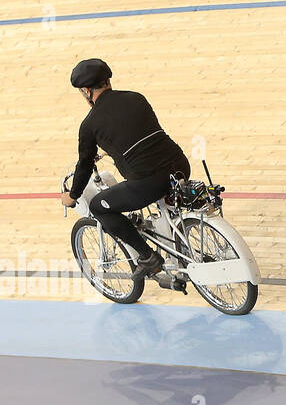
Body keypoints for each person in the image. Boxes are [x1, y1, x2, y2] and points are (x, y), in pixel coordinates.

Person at [61, 59, 190, 281]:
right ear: (108, 80)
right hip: (180, 165)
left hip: (148, 182)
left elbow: (84, 165)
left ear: (85, 91)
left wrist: (72, 196)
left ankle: (148, 257)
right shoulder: (136, 97)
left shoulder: (90, 124)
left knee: (99, 206)